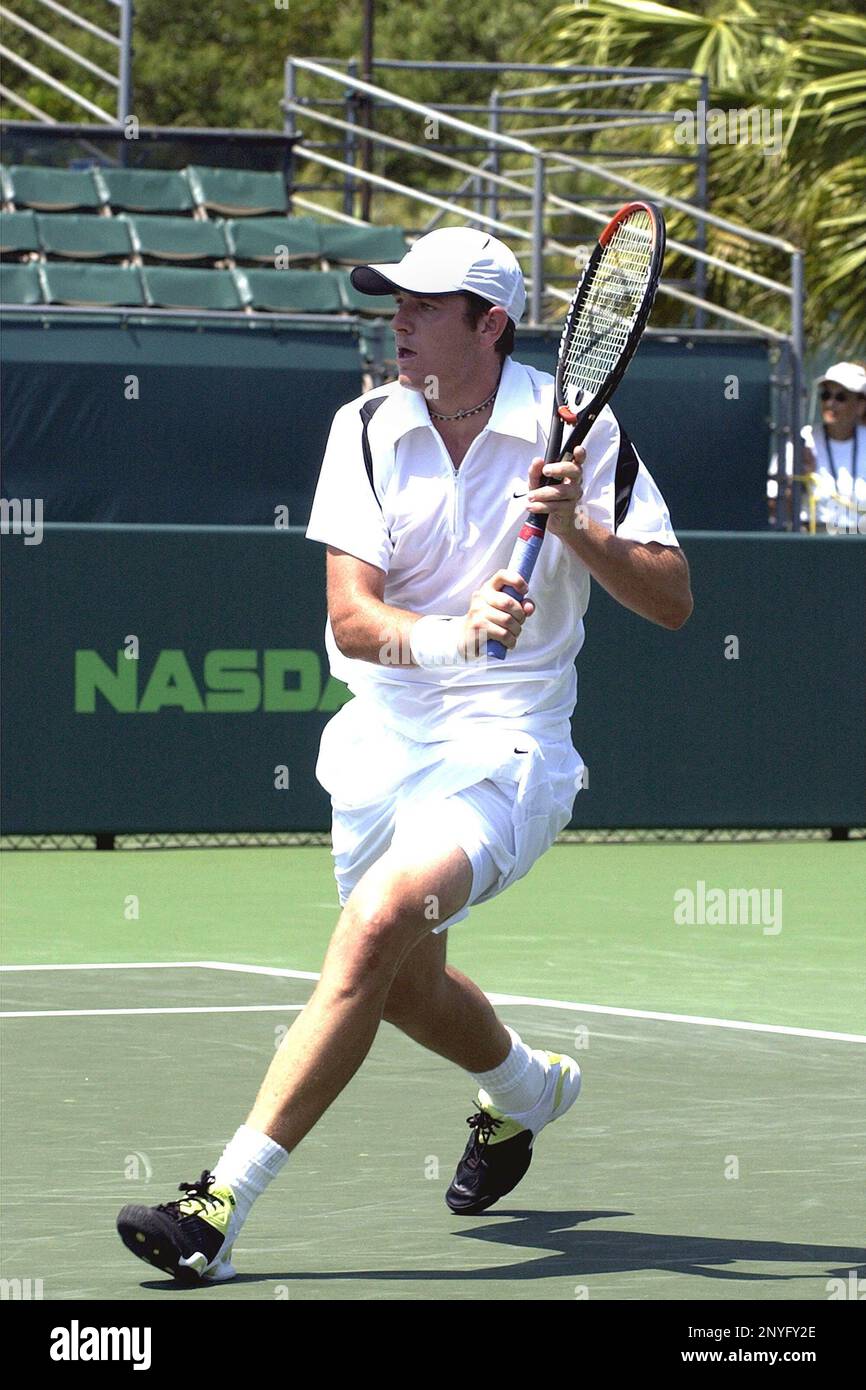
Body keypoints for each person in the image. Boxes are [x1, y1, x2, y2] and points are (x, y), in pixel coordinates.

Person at [116, 227, 693, 1282]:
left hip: (507, 748)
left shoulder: (582, 437)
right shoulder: (368, 424)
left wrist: (575, 529)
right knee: (404, 983)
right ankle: (528, 1092)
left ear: (489, 325)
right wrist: (453, 631)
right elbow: (349, 619)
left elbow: (672, 600)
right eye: (394, 302)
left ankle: (217, 1204)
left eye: (423, 306)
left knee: (377, 922)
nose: (398, 320)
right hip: (380, 745)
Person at [803, 362, 866, 533]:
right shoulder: (803, 440)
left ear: (860, 405)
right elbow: (775, 506)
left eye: (841, 397)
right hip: (814, 541)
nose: (830, 403)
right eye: (826, 395)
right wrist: (797, 478)